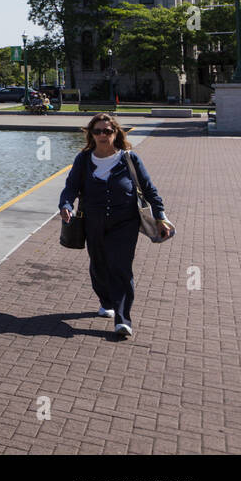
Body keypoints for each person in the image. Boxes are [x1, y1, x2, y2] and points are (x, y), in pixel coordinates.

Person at [58, 113, 171, 339]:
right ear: (91, 134)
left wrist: (160, 216)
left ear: (116, 133)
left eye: (107, 131)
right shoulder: (84, 159)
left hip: (125, 223)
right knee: (99, 264)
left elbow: (150, 190)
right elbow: (71, 186)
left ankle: (123, 319)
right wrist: (66, 204)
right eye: (98, 131)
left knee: (121, 267)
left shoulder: (129, 158)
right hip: (94, 221)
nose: (102, 135)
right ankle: (105, 300)